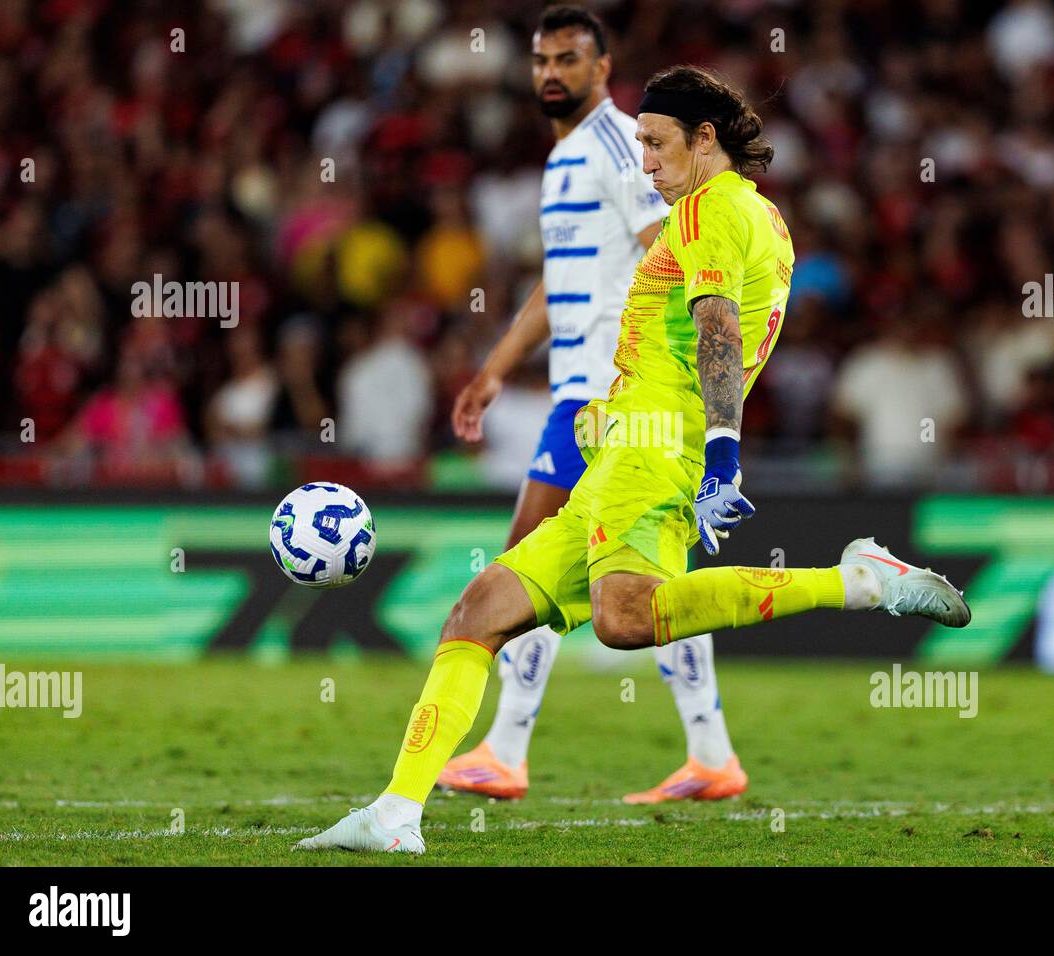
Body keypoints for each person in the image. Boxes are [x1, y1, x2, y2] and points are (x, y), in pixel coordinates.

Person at [298, 63, 970, 857]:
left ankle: (855, 581)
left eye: (655, 143)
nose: (645, 162)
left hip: (656, 452)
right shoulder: (762, 219)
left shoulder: (708, 214)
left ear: (704, 138)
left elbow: (718, 328)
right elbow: (695, 339)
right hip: (628, 446)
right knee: (476, 616)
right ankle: (396, 812)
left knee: (625, 620)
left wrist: (721, 449)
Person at [438, 5, 746, 805]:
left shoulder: (616, 144)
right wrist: (497, 367)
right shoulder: (564, 157)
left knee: (525, 562)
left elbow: (667, 246)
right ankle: (709, 751)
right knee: (624, 573)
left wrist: (661, 377)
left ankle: (506, 750)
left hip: (607, 391)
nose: (551, 72)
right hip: (583, 389)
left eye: (569, 59)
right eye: (542, 58)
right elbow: (557, 283)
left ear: (602, 69)